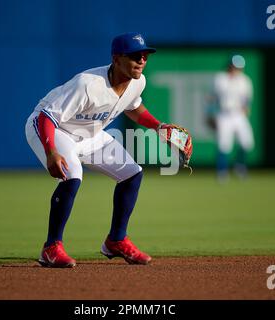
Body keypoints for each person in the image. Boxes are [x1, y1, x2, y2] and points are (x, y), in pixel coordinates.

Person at [25, 32, 169, 268]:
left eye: (145, 55)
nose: (142, 60)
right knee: (73, 175)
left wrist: (159, 126)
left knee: (132, 173)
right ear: (116, 58)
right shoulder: (88, 84)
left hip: (88, 133)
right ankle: (51, 248)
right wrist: (51, 151)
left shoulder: (138, 82)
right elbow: (46, 117)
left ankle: (116, 239)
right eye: (135, 55)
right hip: (53, 128)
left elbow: (133, 107)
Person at [212, 54, 254, 182]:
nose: (236, 69)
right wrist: (210, 114)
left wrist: (247, 107)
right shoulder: (220, 79)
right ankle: (222, 172)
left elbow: (247, 99)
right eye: (234, 66)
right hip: (224, 114)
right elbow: (211, 98)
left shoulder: (245, 80)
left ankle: (239, 166)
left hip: (239, 115)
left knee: (247, 143)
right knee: (224, 145)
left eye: (239, 67)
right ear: (229, 65)